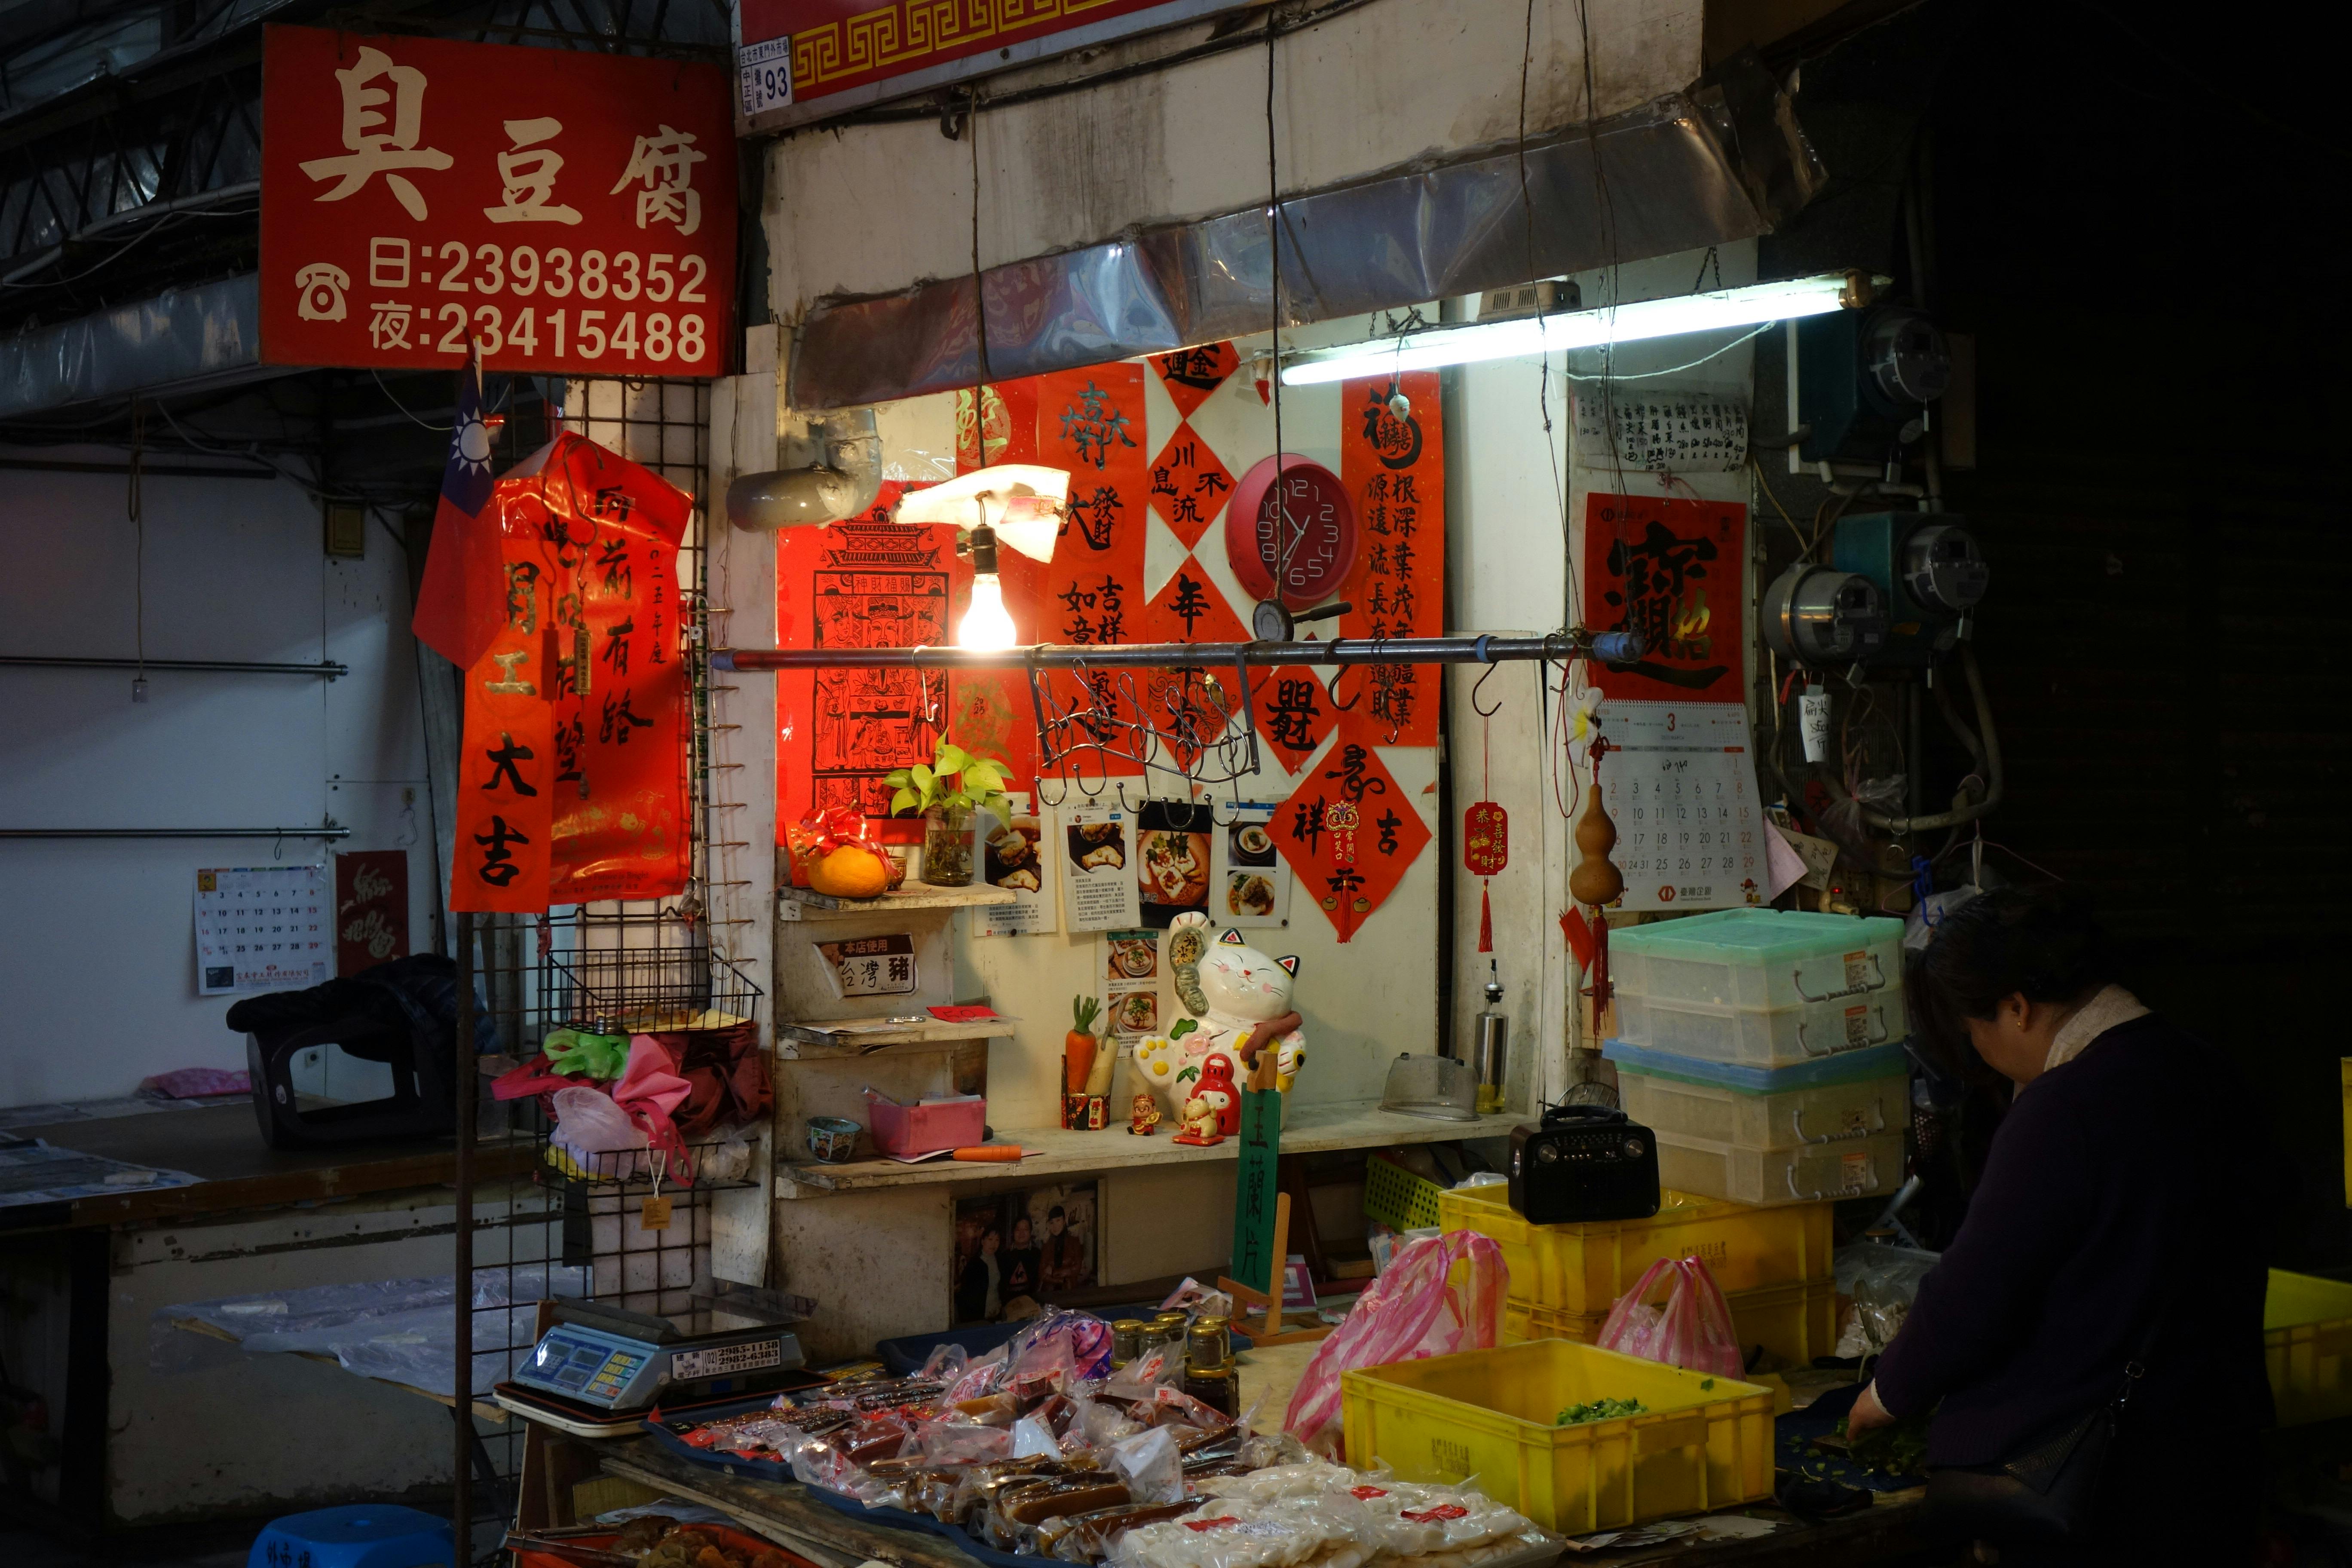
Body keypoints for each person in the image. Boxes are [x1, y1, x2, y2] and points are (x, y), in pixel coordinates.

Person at [1847, 887, 2269, 1563]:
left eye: (1975, 1031)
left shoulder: (2064, 1107)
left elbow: (1978, 1289)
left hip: (2105, 1478)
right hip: (2221, 1443)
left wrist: (1887, 1395)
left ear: (2017, 1008)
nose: (1979, 1051)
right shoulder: (2209, 1070)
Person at [954, 1224, 1001, 1323]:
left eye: (997, 1240)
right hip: (980, 1318)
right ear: (983, 1241)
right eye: (990, 1239)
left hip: (997, 1314)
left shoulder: (1000, 1260)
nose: (994, 1244)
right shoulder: (975, 1264)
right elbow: (967, 1294)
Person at [1040, 1204, 1088, 1292]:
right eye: (1052, 1223)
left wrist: (1054, 1273)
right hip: (1049, 1293)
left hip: (1069, 1291)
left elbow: (1077, 1268)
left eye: (1058, 1220)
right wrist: (1060, 1280)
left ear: (1064, 1221)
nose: (1055, 1226)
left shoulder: (1075, 1242)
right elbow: (1042, 1273)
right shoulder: (1047, 1246)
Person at [998, 1213, 1041, 1312]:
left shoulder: (1037, 1254)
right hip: (1010, 1307)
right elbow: (1001, 1284)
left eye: (1025, 1229)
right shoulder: (1005, 1255)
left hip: (1032, 1306)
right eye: (1018, 1230)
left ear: (1031, 1232)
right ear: (1013, 1232)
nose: (1021, 1233)